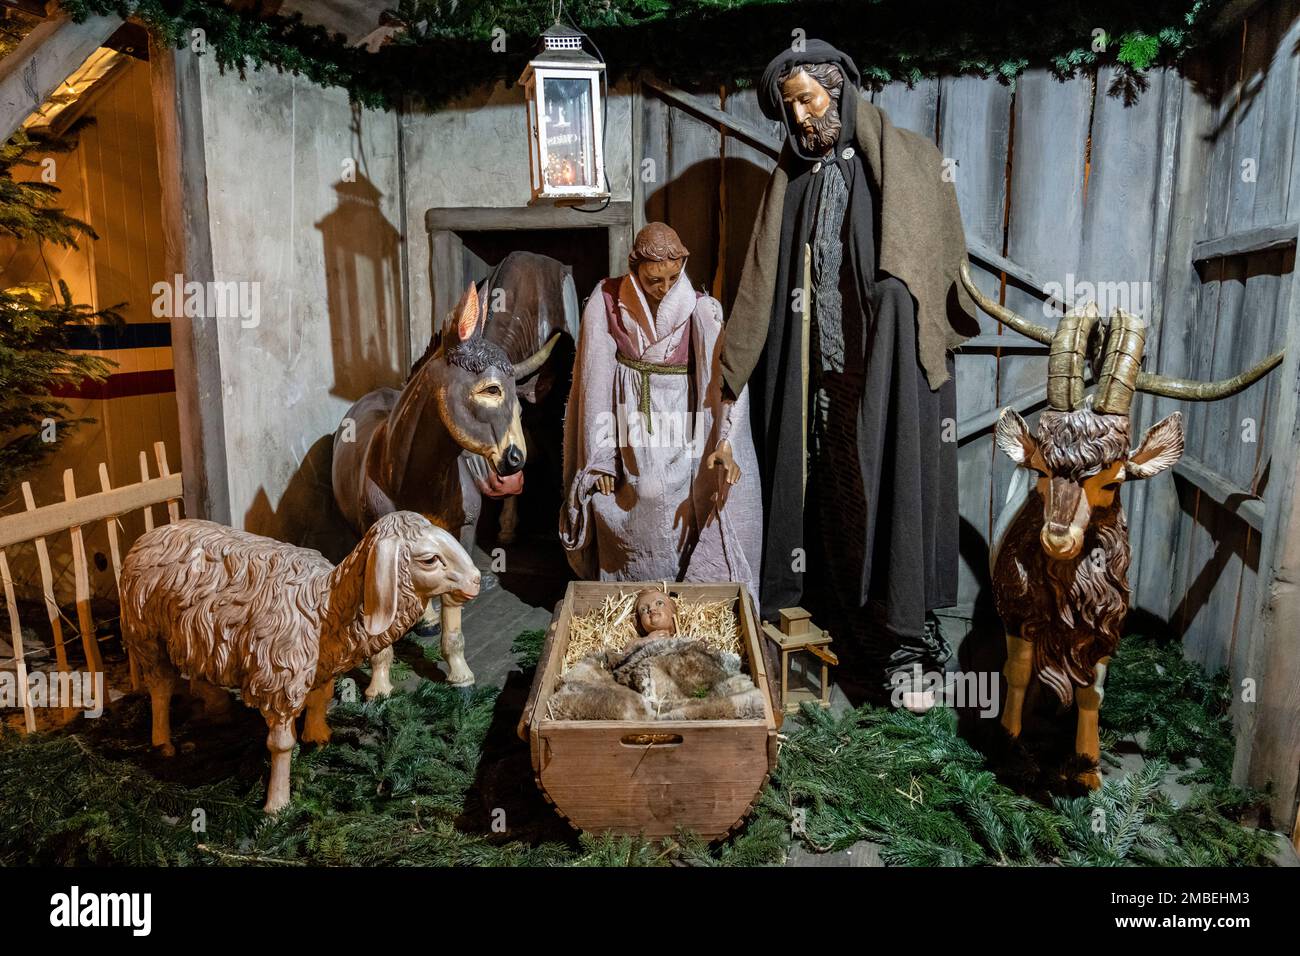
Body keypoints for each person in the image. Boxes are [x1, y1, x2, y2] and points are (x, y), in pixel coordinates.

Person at [718, 40, 979, 703]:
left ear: (839, 87)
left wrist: (894, 310)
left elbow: (928, 270)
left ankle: (907, 645)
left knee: (890, 497)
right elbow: (767, 286)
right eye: (790, 105)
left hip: (887, 382)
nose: (803, 116)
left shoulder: (910, 160)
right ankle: (842, 628)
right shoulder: (795, 183)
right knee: (830, 507)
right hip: (818, 386)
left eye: (809, 97)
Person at [560, 222, 762, 603]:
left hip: (678, 422)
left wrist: (724, 440)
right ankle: (625, 596)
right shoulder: (605, 301)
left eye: (672, 278)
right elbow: (594, 378)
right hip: (625, 421)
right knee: (631, 499)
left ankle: (676, 600)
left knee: (672, 499)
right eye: (654, 279)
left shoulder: (701, 310)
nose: (664, 288)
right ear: (635, 268)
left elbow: (722, 381)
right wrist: (601, 458)